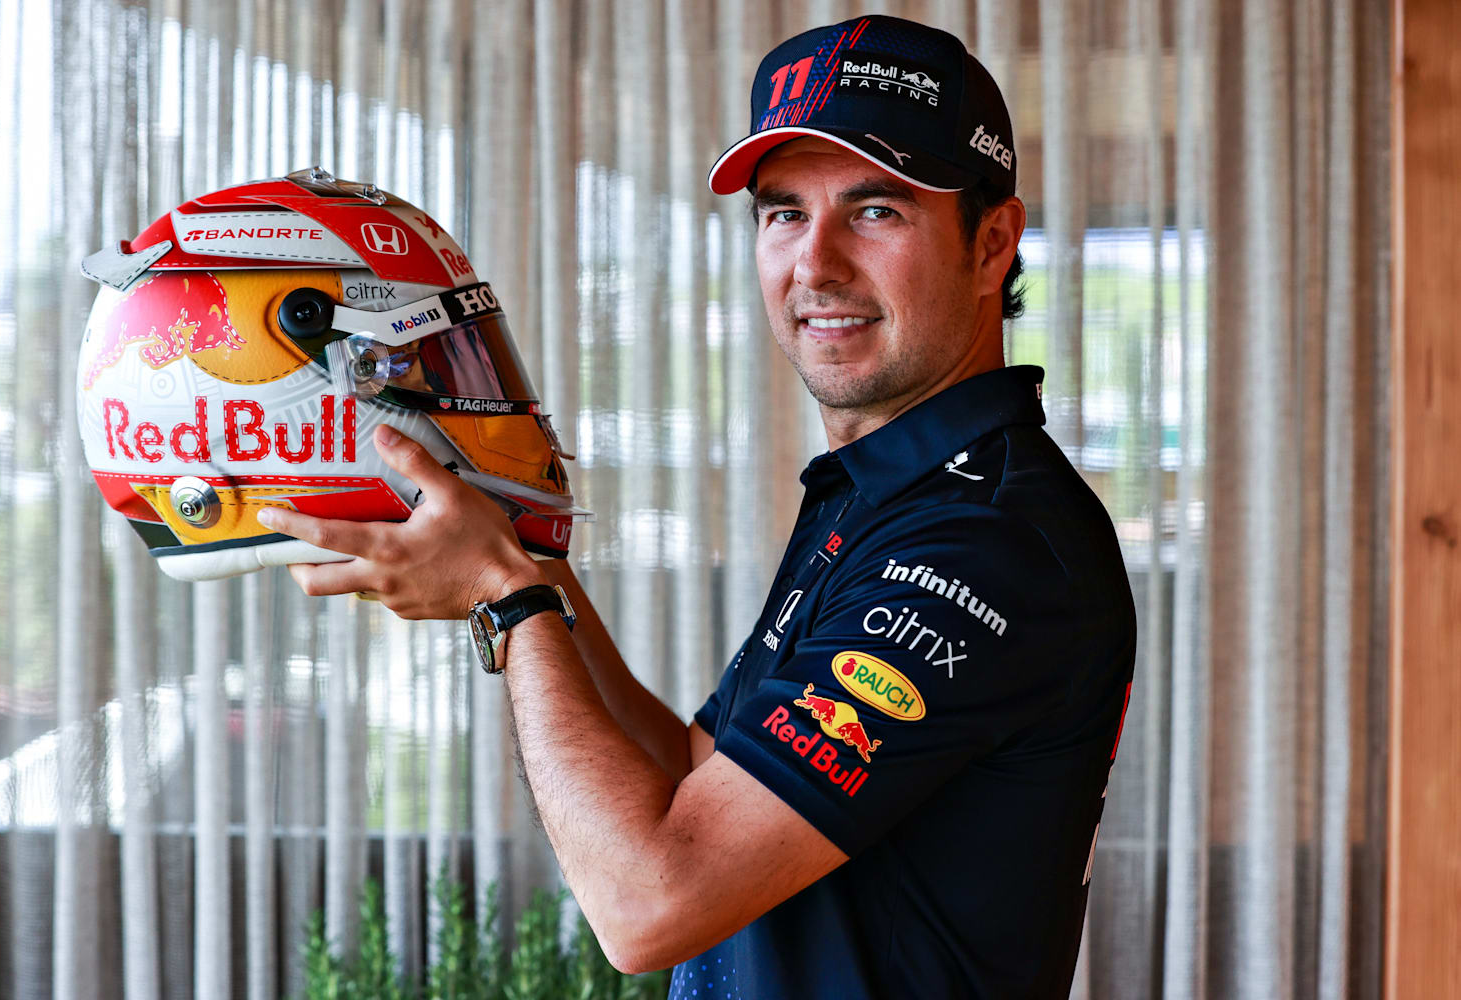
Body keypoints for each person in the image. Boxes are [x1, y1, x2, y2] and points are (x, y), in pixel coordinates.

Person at [259, 13, 1136, 999]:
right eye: (783, 213)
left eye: (876, 210)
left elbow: (649, 903)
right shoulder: (888, 493)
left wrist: (505, 595)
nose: (816, 264)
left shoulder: (986, 541)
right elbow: (694, 772)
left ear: (991, 246)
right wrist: (530, 565)